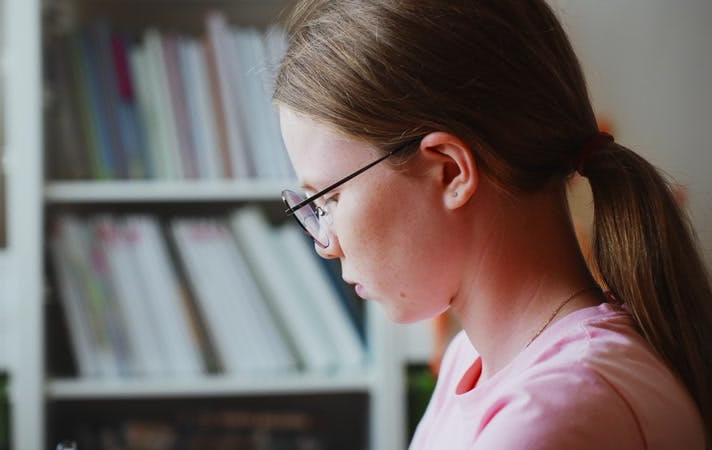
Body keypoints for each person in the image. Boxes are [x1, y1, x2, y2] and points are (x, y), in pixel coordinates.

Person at [272, 1, 712, 449]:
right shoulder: (476, 359)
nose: (325, 246)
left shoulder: (550, 415)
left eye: (329, 197)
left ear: (450, 172)